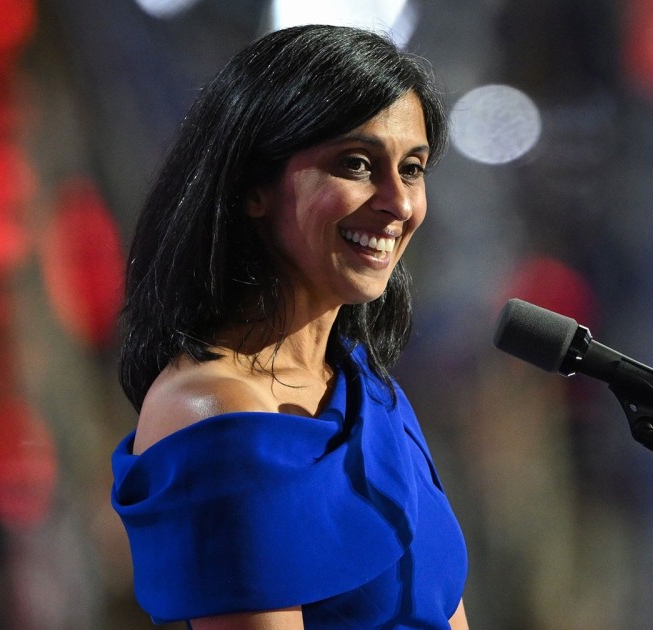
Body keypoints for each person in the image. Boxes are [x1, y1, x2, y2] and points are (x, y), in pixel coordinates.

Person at [109, 25, 468, 629]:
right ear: (253, 186)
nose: (399, 203)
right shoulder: (212, 411)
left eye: (412, 169)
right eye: (356, 164)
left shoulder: (374, 398)